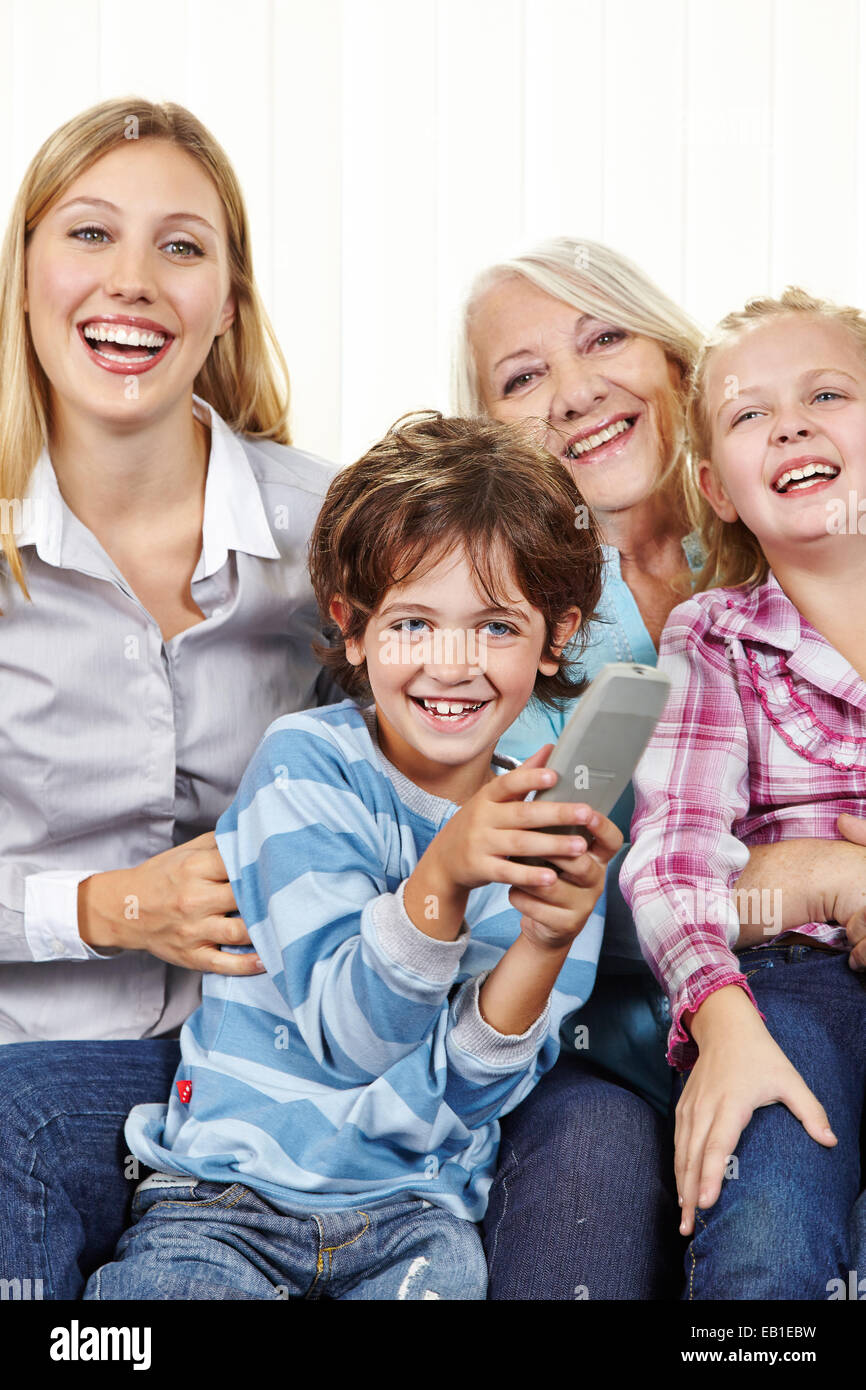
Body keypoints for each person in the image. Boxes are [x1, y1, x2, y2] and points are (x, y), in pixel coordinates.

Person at [83, 412, 622, 1301]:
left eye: (495, 627)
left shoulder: (556, 830)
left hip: (415, 1220)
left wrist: (542, 945)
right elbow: (352, 1034)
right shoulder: (305, 766)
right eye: (413, 623)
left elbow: (474, 1095)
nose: (452, 665)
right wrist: (443, 876)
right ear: (355, 627)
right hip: (225, 1206)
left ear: (556, 637)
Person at [0, 98, 338, 1299]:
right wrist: (104, 906)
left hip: (266, 1073)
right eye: (90, 235)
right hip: (27, 1069)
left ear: (228, 302)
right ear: (26, 271)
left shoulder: (330, 527)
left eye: (181, 246)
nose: (132, 281)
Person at [621, 287, 866, 1298]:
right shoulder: (709, 636)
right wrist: (721, 1020)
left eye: (824, 392)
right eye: (748, 413)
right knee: (763, 1232)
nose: (792, 423)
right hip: (788, 989)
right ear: (716, 488)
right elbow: (674, 858)